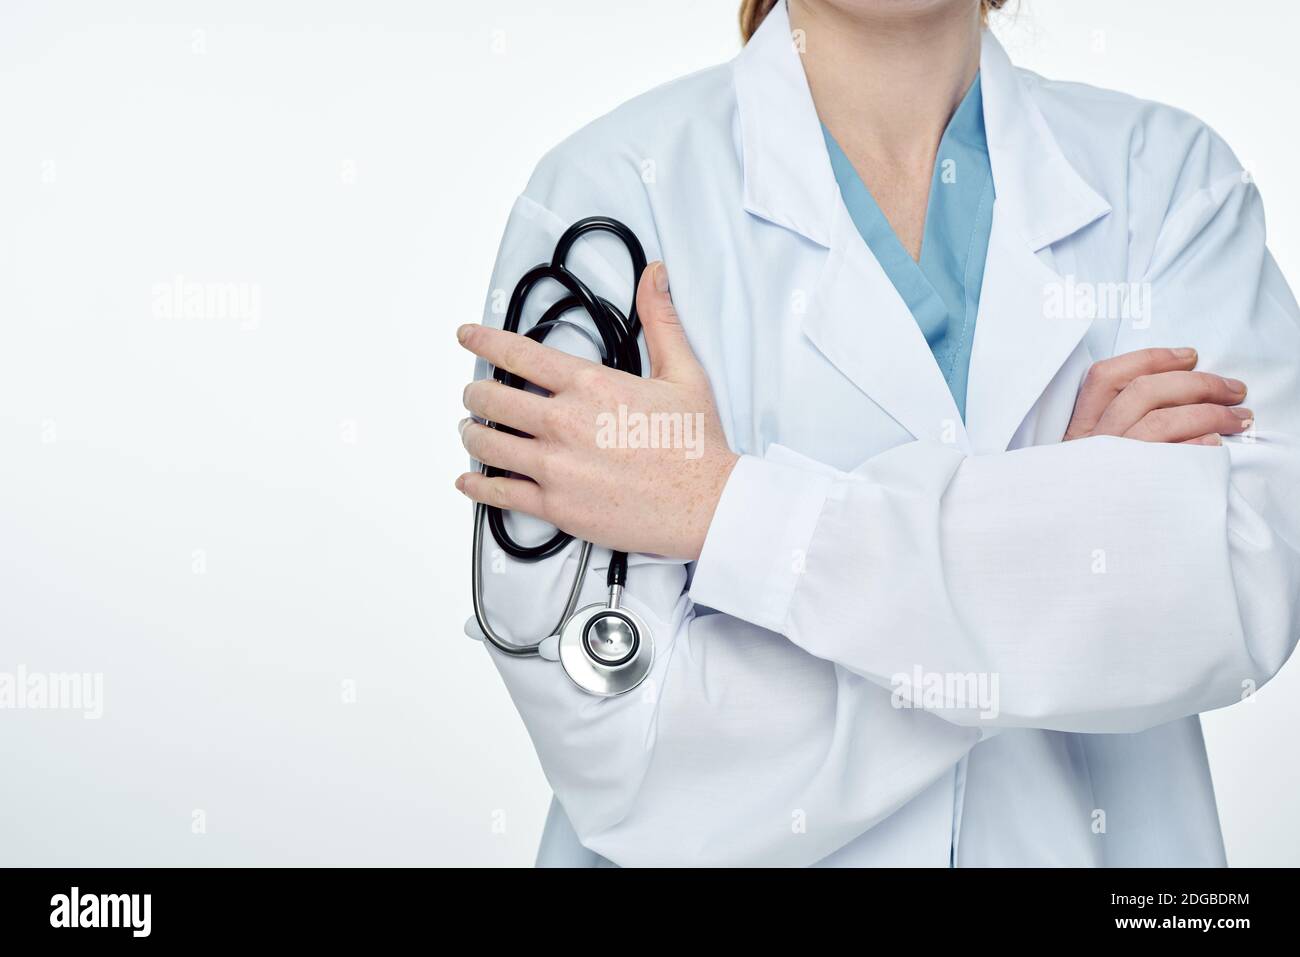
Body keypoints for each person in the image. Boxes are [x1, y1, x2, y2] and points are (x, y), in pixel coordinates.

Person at [456, 0, 1300, 866]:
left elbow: (1241, 582)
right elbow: (628, 755)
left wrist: (727, 508)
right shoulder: (609, 196)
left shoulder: (1169, 184)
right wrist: (1056, 547)